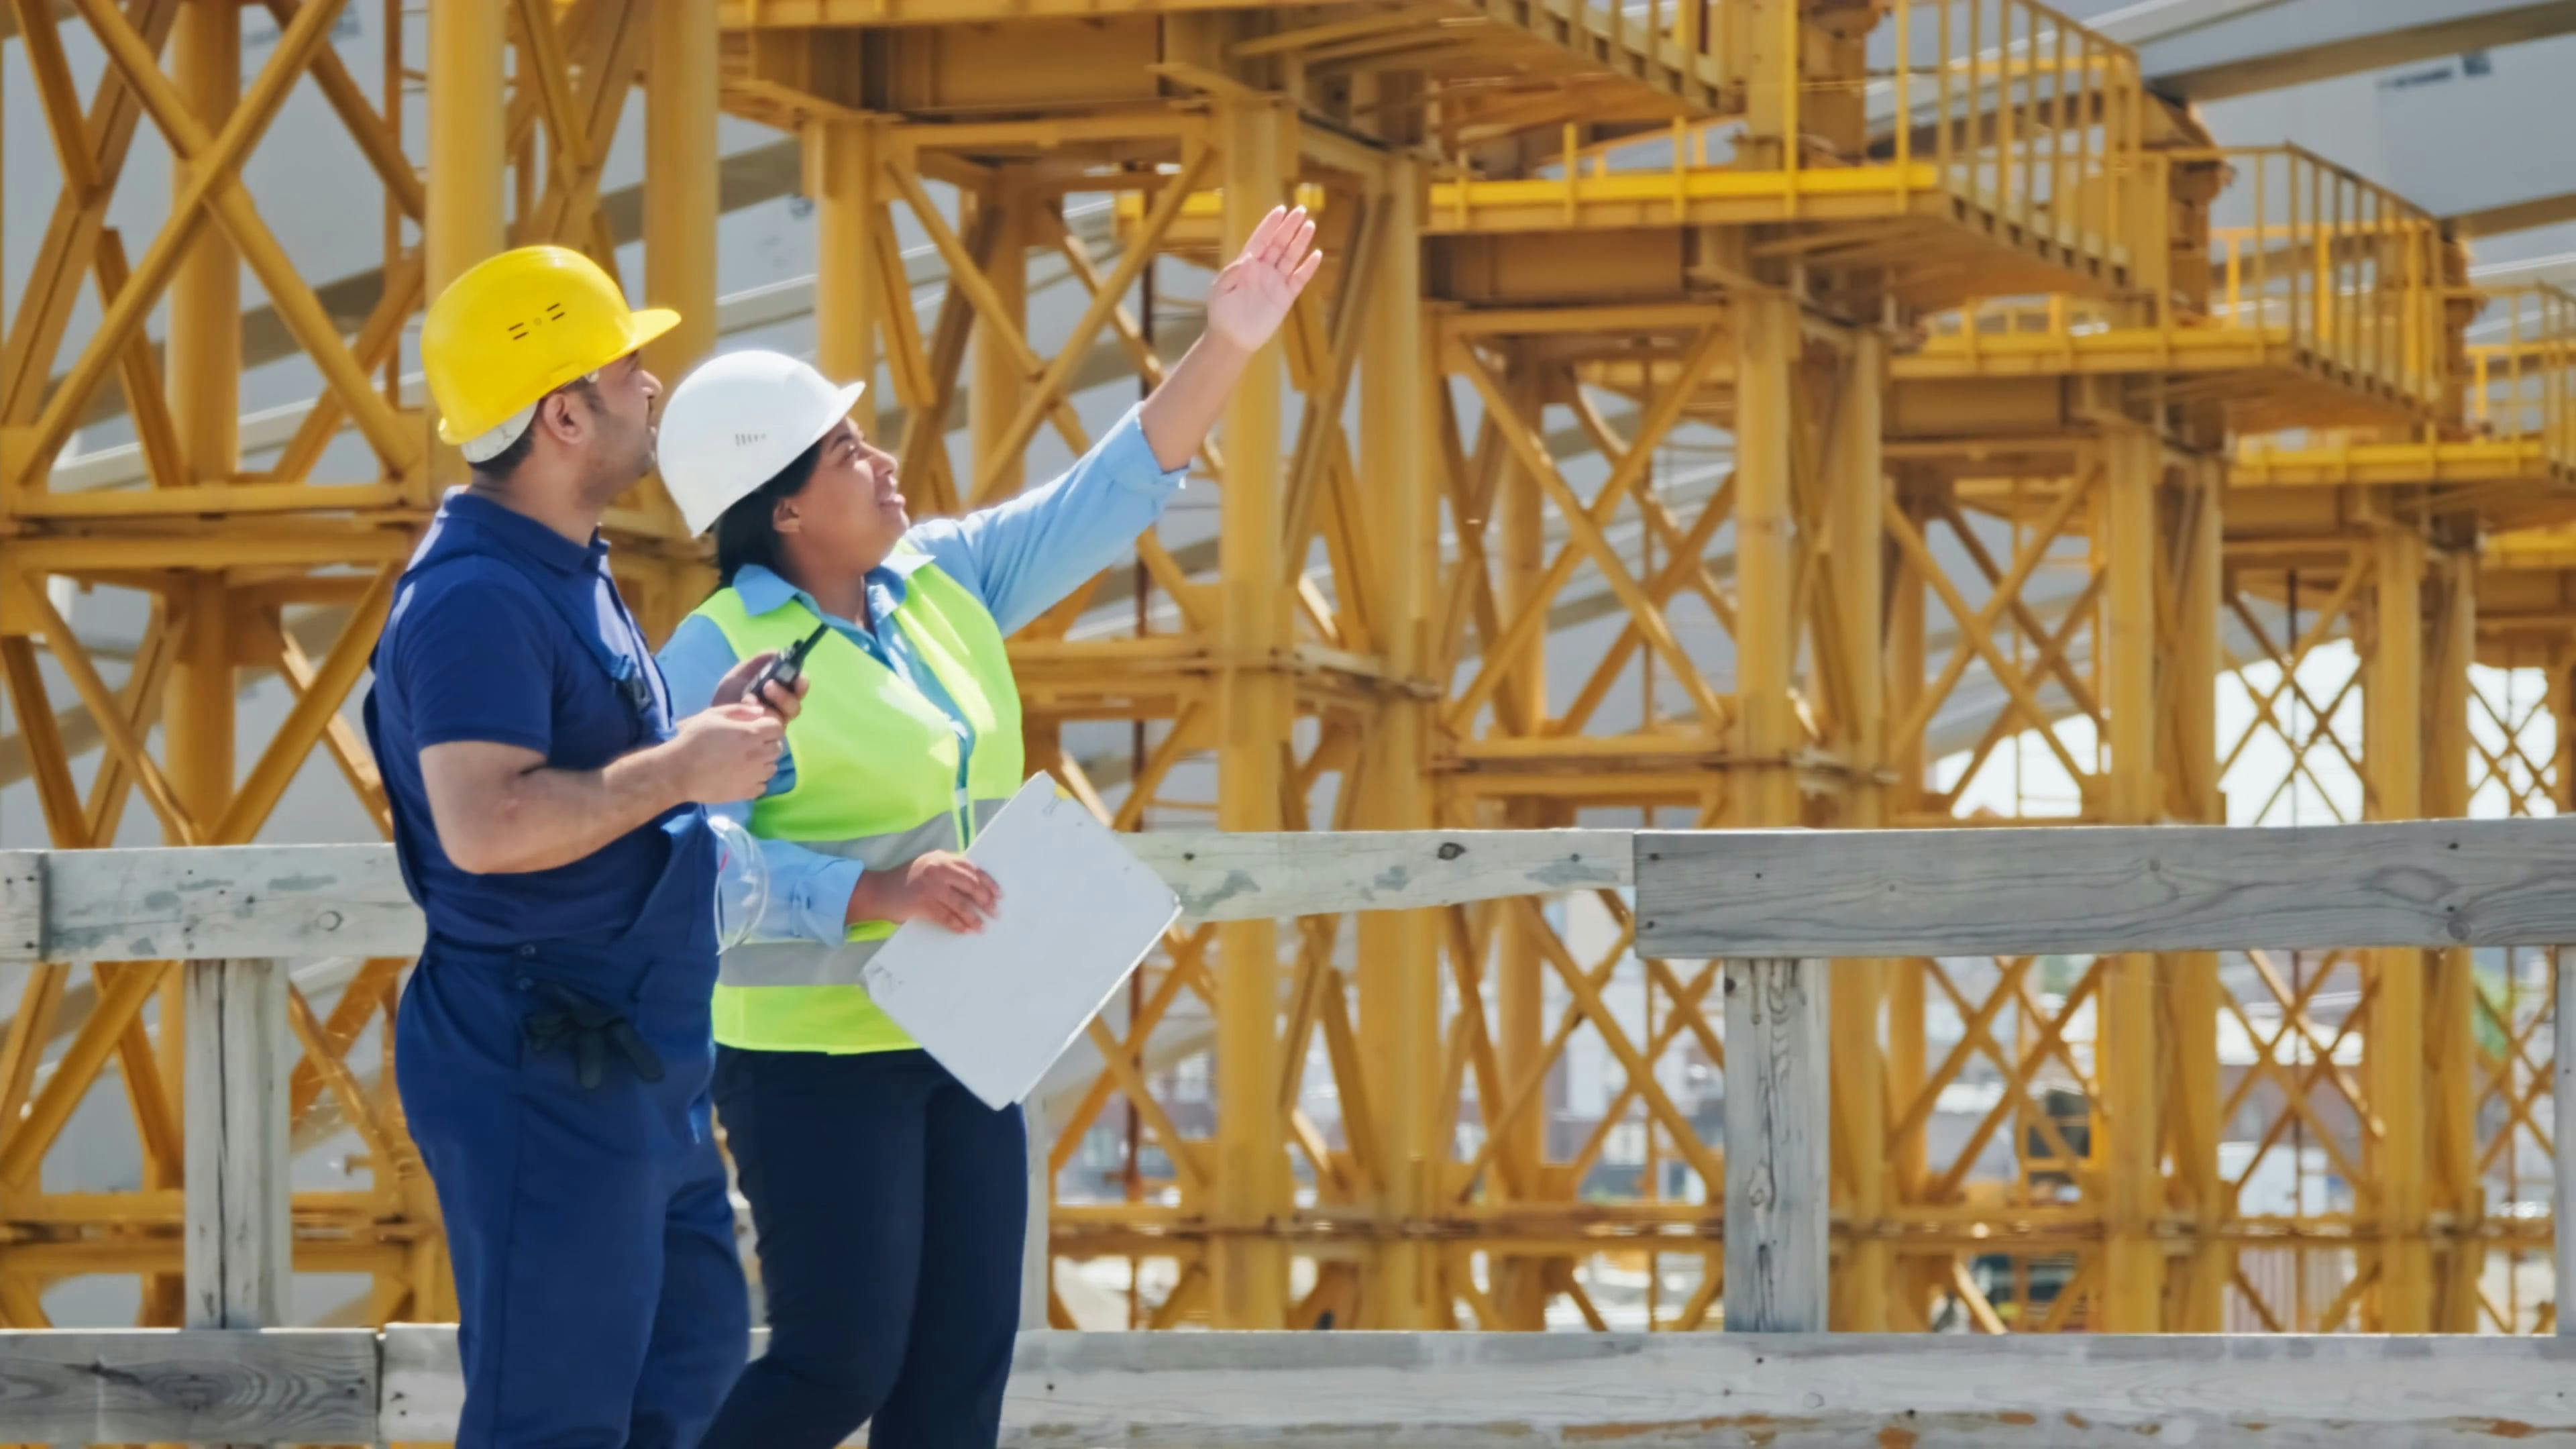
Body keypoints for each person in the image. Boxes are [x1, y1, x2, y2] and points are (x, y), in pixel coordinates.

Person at [653, 204, 1321, 1448]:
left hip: (967, 1029)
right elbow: (676, 854)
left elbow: (1105, 493)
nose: (882, 457)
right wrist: (873, 896)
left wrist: (1228, 343)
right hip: (814, 1055)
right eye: (846, 449)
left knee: (957, 1378)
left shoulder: (937, 587)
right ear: (784, 510)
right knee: (836, 1366)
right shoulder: (719, 649)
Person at [365, 244, 810, 1448]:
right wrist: (681, 767)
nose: (654, 385)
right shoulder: (473, 599)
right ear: (565, 413)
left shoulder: (561, 573)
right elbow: (486, 824)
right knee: (555, 1418)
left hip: (631, 1058)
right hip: (543, 1054)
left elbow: (586, 777)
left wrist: (710, 733)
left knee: (690, 1378)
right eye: (629, 366)